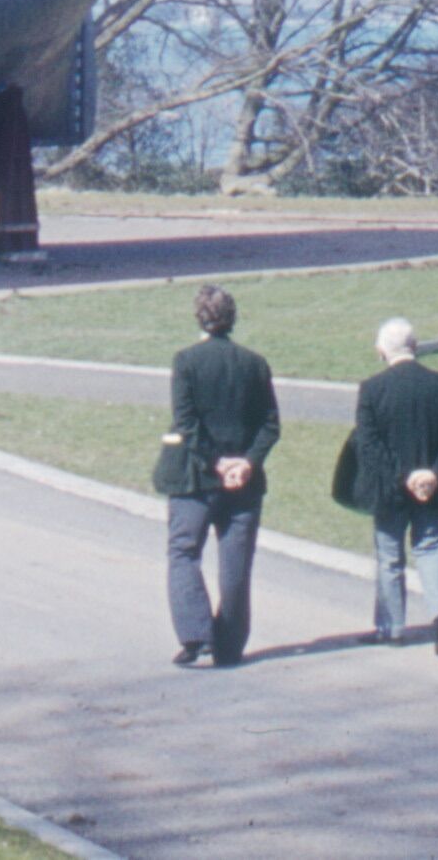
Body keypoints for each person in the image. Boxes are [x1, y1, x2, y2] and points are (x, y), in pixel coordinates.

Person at [161, 283, 280, 667]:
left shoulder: (187, 362)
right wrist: (245, 462)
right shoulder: (255, 363)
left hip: (197, 479)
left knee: (183, 551)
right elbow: (270, 424)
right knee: (236, 563)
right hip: (244, 482)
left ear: (199, 316)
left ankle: (196, 634)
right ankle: (228, 646)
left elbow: (187, 425)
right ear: (232, 318)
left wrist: (218, 463)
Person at [355, 317, 438, 654]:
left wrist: (402, 477)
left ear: (381, 351)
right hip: (433, 486)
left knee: (390, 556)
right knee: (430, 546)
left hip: (391, 489)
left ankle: (391, 628)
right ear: (416, 347)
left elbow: (369, 445)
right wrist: (434, 473)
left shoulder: (372, 389)